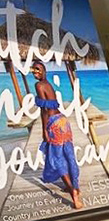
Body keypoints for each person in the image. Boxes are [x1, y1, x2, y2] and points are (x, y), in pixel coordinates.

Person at [32, 59, 82, 210]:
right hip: (63, 121)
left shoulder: (39, 85)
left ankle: (73, 192)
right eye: (33, 70)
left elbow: (44, 110)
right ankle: (75, 186)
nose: (35, 72)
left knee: (56, 159)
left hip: (54, 124)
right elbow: (52, 104)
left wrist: (44, 129)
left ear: (43, 71)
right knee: (69, 155)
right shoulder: (48, 85)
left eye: (37, 70)